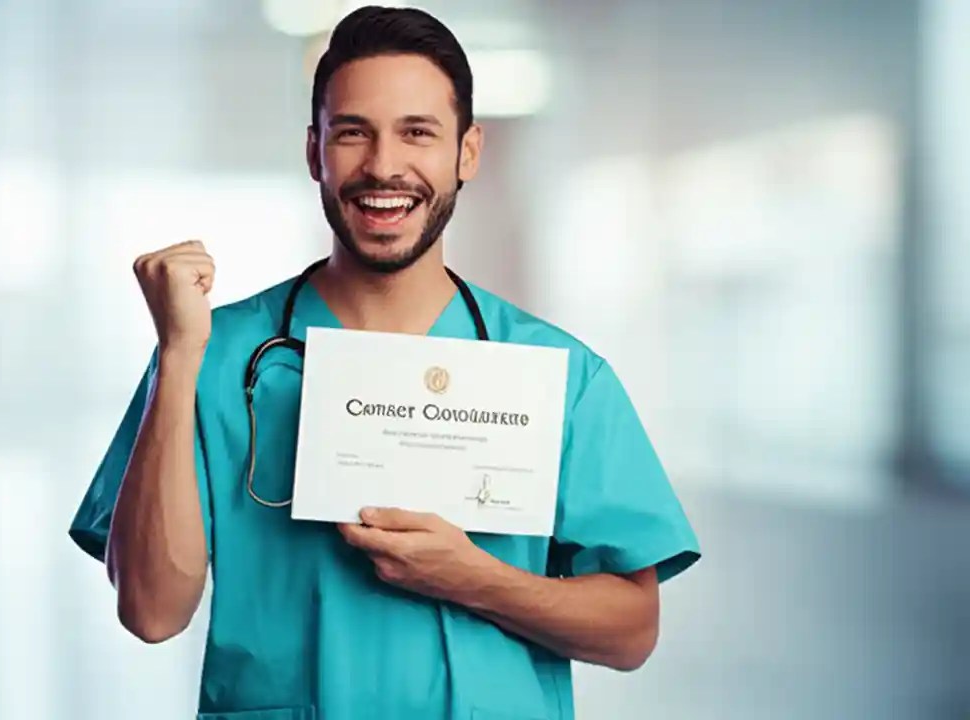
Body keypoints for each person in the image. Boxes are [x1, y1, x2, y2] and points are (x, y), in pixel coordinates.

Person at [69, 6, 700, 719]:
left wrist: (474, 578)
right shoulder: (211, 359)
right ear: (315, 152)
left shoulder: (564, 377)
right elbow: (152, 613)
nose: (382, 166)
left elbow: (631, 631)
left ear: (467, 153)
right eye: (352, 133)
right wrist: (179, 355)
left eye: (418, 133)